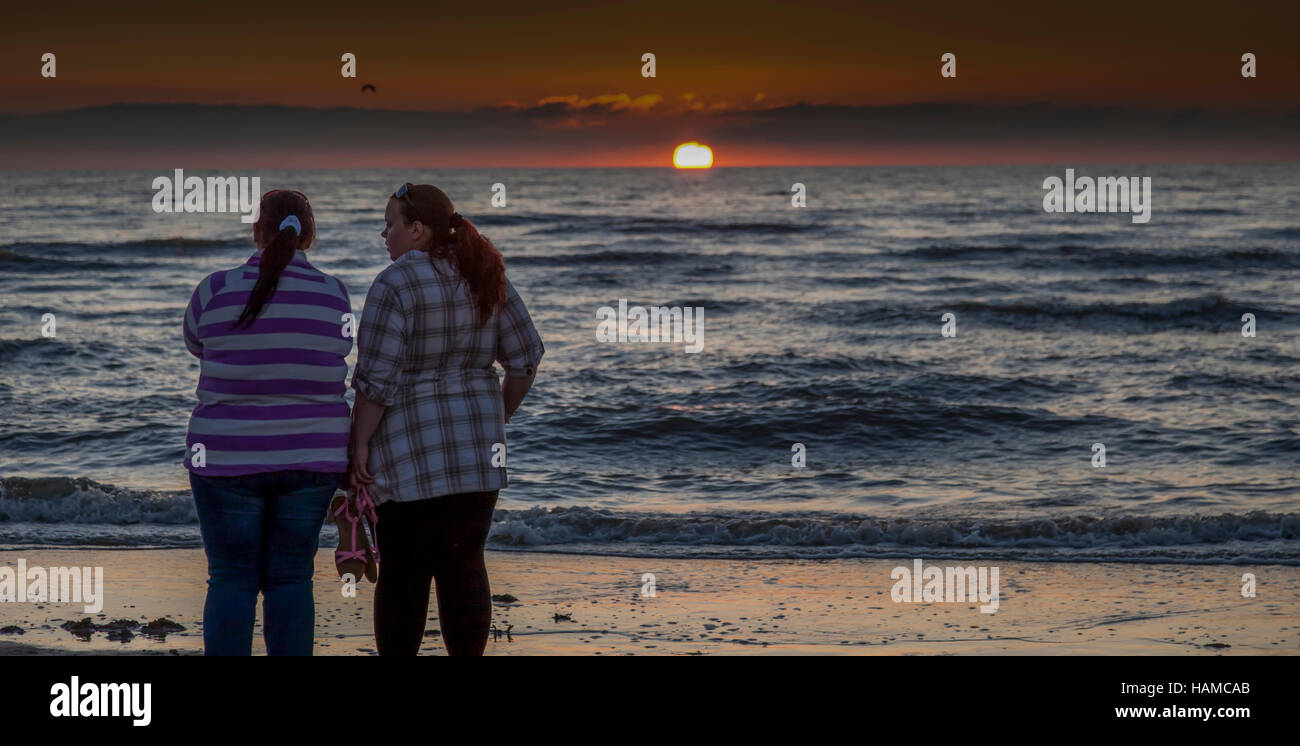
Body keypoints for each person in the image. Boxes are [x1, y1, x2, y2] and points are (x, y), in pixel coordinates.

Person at [349, 182, 543, 656]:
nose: (384, 233)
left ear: (417, 229)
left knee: (402, 573)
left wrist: (358, 446)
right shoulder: (484, 273)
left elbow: (376, 382)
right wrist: (497, 417)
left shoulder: (394, 282)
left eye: (390, 223)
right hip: (477, 451)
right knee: (465, 567)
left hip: (405, 454)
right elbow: (526, 360)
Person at [182, 189, 352, 655]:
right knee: (291, 578)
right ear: (309, 236)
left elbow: (199, 345)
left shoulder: (214, 290)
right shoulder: (334, 295)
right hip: (313, 460)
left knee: (232, 578)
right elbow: (335, 355)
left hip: (224, 459)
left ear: (257, 231)